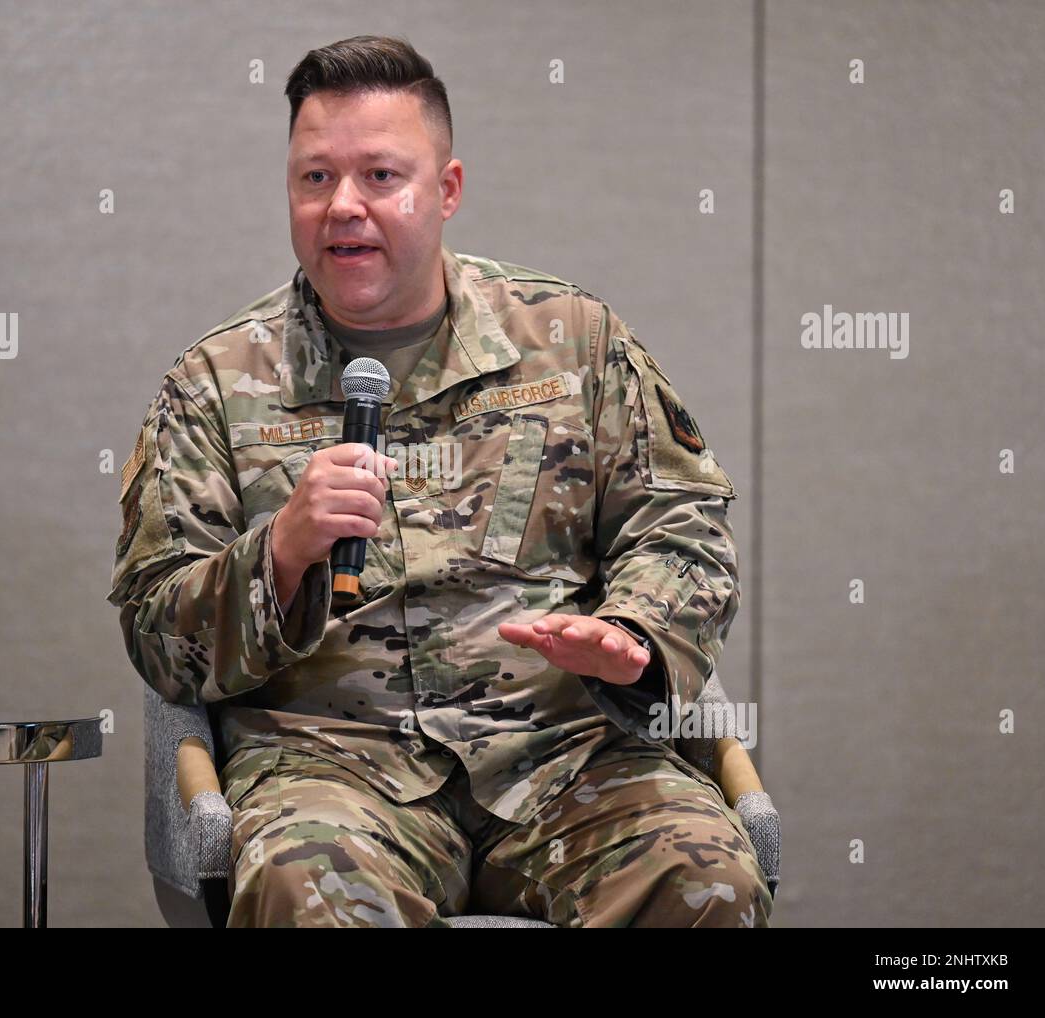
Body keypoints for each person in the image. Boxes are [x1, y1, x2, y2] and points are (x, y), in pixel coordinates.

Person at [108, 35, 771, 927]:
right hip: (332, 772)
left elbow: (682, 523)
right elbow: (157, 634)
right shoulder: (214, 385)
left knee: (706, 880)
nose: (344, 205)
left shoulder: (572, 342)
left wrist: (633, 632)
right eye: (315, 178)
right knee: (306, 890)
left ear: (447, 189)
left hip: (566, 758)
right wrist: (281, 554)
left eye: (381, 176)